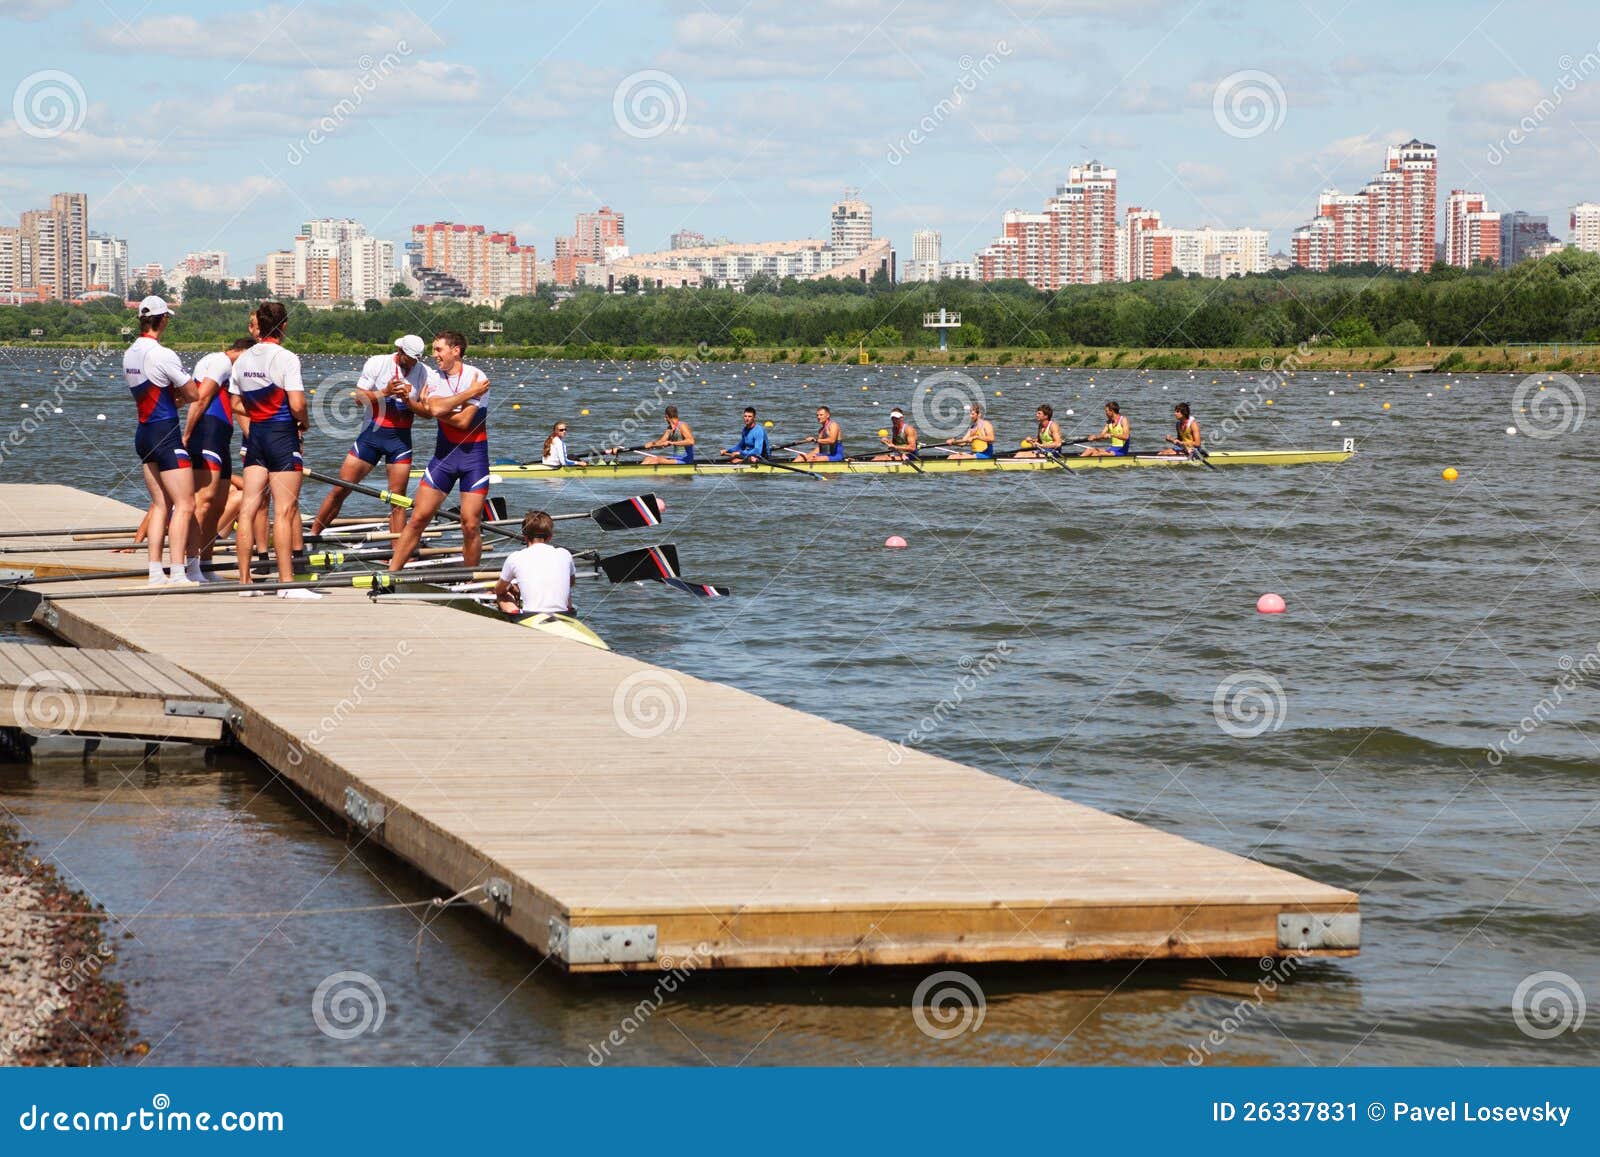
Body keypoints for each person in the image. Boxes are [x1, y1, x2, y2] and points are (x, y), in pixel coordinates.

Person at [386, 331, 492, 572]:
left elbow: (464, 422)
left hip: (473, 460)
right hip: (443, 459)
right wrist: (467, 395)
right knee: (418, 519)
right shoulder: (436, 378)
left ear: (455, 351)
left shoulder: (476, 376)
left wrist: (438, 407)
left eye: (438, 350)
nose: (434, 355)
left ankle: (470, 580)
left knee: (470, 524)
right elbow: (432, 409)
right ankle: (390, 575)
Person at [310, 335, 433, 536]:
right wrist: (385, 391)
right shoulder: (377, 363)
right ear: (400, 351)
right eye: (409, 358)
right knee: (342, 488)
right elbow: (359, 398)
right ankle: (313, 535)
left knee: (397, 499)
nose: (412, 364)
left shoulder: (424, 373)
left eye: (416, 360)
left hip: (400, 444)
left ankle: (396, 556)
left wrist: (410, 401)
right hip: (371, 438)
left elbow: (428, 415)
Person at [231, 301, 314, 596]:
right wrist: (304, 423)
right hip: (282, 435)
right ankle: (287, 584)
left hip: (256, 437)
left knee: (249, 507)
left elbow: (235, 403)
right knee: (285, 510)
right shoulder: (286, 357)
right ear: (284, 326)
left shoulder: (241, 360)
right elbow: (297, 404)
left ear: (259, 325)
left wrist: (257, 416)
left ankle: (244, 582)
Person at [124, 296, 199, 585]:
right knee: (186, 504)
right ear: (163, 319)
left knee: (159, 505)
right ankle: (179, 571)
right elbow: (193, 394)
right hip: (166, 434)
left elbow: (153, 394)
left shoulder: (129, 352)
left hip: (143, 433)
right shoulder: (163, 354)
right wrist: (178, 396)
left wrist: (170, 398)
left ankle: (155, 571)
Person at [183, 336, 256, 577]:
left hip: (222, 435)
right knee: (203, 502)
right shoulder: (220, 361)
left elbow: (237, 407)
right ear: (242, 353)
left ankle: (206, 562)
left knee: (218, 503)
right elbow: (201, 398)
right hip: (206, 433)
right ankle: (190, 565)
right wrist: (187, 435)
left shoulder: (232, 370)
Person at [494, 510, 577, 618]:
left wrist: (512, 586)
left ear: (525, 537)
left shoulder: (515, 557)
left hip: (530, 616)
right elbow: (571, 583)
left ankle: (515, 613)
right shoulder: (565, 553)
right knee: (567, 591)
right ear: (550, 537)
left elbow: (499, 590)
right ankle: (565, 612)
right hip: (564, 614)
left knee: (502, 595)